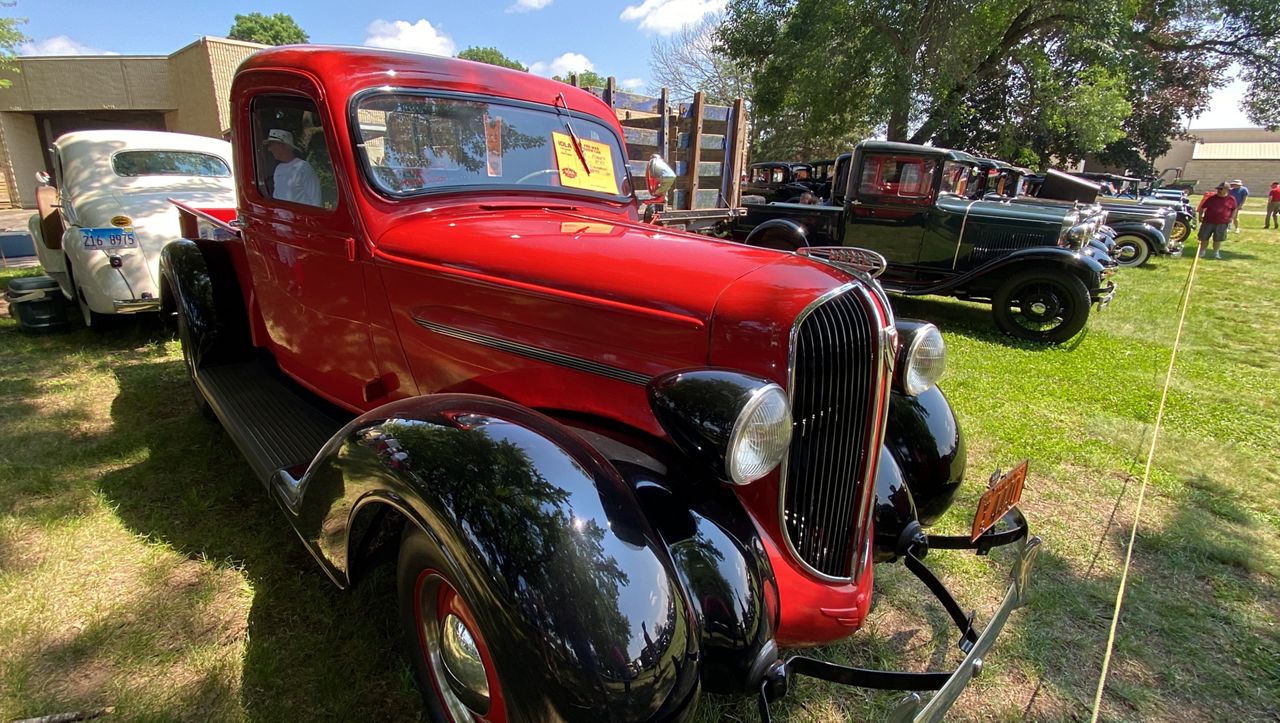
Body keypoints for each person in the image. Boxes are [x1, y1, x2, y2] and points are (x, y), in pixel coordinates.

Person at [264, 129, 321, 207]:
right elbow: (276, 199)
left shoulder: (303, 167)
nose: (269, 149)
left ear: (283, 145)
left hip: (302, 218)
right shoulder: (278, 169)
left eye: (271, 144)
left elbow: (316, 200)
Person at [1197, 182, 1237, 259]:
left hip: (1222, 222)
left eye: (1221, 189)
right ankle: (1202, 252)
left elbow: (1234, 209)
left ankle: (1216, 253)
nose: (1219, 190)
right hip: (1208, 221)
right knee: (1204, 237)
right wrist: (1200, 216)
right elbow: (1202, 207)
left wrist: (1231, 218)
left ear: (1227, 190)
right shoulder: (1212, 198)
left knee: (1218, 239)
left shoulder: (1231, 199)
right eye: (1218, 189)